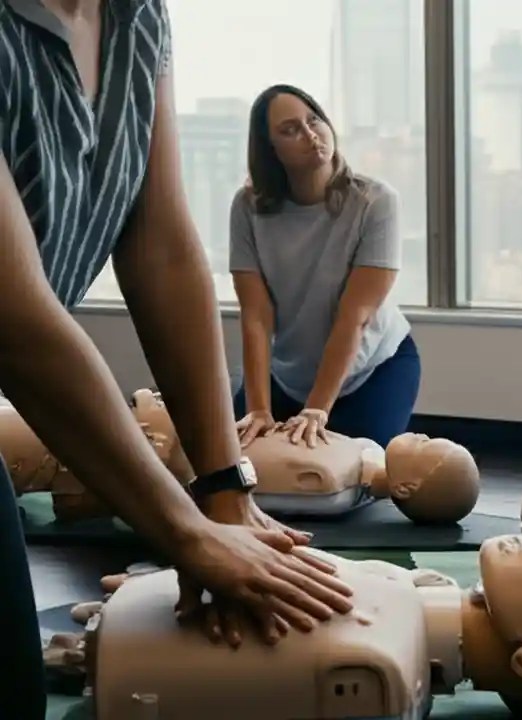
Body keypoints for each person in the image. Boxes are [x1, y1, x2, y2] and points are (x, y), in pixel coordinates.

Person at [0, 2, 353, 717]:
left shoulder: (138, 14)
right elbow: (13, 314)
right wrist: (184, 531)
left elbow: (160, 245)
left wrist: (224, 490)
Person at [230, 85, 418, 450]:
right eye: (290, 130)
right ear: (271, 150)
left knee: (347, 470)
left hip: (372, 370)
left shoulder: (376, 201)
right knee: (237, 460)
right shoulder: (247, 207)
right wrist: (258, 409)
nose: (310, 134)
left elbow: (355, 316)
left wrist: (316, 409)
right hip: (286, 377)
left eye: (313, 120)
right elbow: (256, 315)